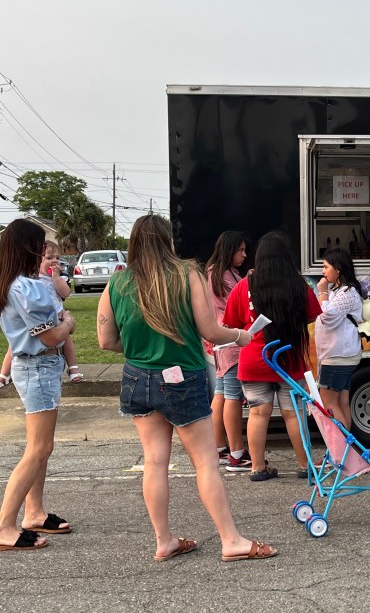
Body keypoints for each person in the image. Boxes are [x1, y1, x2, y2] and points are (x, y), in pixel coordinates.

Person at [96, 215, 276, 562]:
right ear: (168, 241)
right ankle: (232, 540)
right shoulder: (187, 273)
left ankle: (164, 540)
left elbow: (106, 340)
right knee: (206, 463)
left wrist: (139, 348)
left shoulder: (117, 283)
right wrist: (241, 335)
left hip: (137, 378)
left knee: (155, 462)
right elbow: (210, 330)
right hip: (182, 377)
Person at [0, 219, 77, 551]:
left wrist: (61, 326)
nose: (45, 250)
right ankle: (3, 527)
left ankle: (34, 512)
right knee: (38, 448)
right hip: (38, 365)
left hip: (43, 364)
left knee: (42, 447)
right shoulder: (23, 288)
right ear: (27, 247)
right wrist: (68, 322)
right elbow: (55, 332)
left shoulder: (20, 283)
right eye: (39, 244)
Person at [223, 230, 321, 482]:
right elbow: (312, 315)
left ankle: (257, 468)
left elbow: (231, 323)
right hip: (288, 360)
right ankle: (304, 465)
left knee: (257, 414)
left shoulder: (245, 285)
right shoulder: (298, 284)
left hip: (255, 360)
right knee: (294, 414)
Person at [0, 240, 83, 390]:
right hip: (34, 320)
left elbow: (65, 293)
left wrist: (56, 278)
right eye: (49, 258)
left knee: (66, 340)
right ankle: (4, 374)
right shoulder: (28, 281)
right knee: (14, 346)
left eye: (58, 258)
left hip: (57, 316)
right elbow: (12, 300)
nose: (54, 261)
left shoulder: (59, 279)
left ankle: (73, 367)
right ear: (37, 260)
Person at [203, 231, 251, 472]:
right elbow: (237, 301)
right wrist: (249, 283)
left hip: (224, 341)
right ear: (228, 250)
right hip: (230, 341)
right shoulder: (220, 276)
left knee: (221, 394)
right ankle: (236, 453)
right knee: (232, 396)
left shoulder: (221, 273)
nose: (244, 255)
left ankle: (219, 448)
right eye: (240, 250)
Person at [314, 247, 364, 430]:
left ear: (338, 269)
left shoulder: (347, 292)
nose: (323, 271)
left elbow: (328, 318)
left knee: (329, 405)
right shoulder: (341, 290)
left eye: (326, 267)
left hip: (338, 357)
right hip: (339, 355)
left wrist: (322, 293)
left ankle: (339, 454)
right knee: (341, 403)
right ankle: (345, 454)